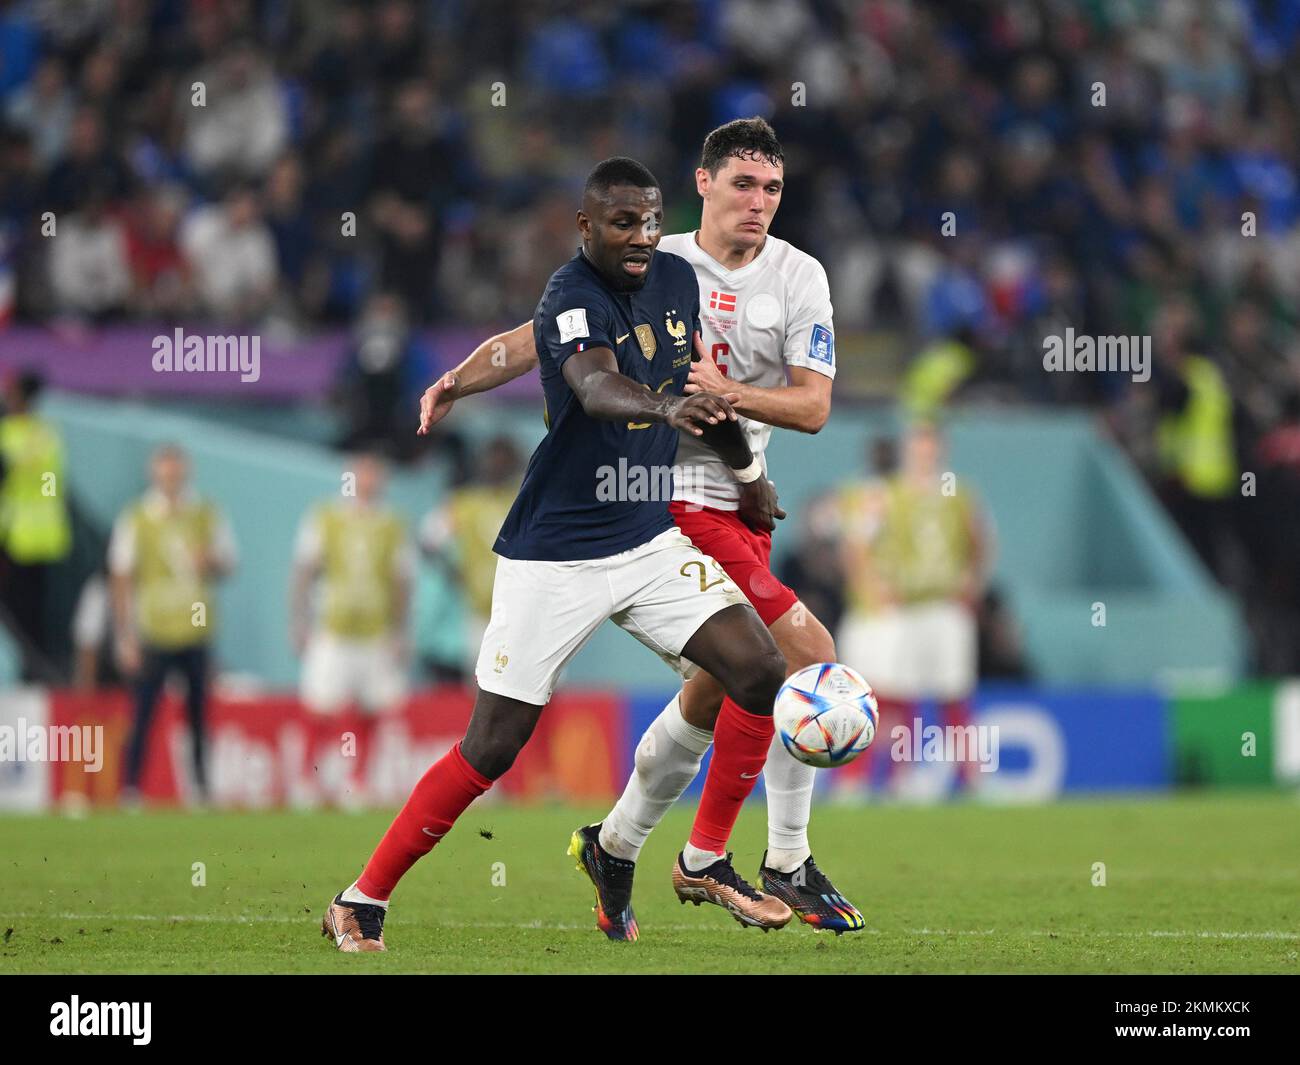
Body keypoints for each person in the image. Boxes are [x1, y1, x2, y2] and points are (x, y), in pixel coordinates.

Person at [323, 157, 791, 951]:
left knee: (759, 667)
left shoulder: (676, 281)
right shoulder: (570, 296)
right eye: (622, 223)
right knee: (494, 745)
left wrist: (747, 476)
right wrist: (670, 406)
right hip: (555, 555)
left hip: (645, 538)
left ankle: (695, 855)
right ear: (585, 227)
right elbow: (597, 390)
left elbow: (700, 396)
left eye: (649, 220)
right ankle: (361, 897)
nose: (641, 237)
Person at [417, 119, 864, 935]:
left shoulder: (800, 277)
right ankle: (772, 859)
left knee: (720, 689)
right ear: (703, 184)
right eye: (742, 185)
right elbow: (532, 341)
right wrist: (458, 378)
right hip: (664, 496)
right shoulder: (657, 260)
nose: (758, 203)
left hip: (740, 490)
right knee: (807, 653)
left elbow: (814, 406)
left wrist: (724, 394)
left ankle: (617, 843)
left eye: (771, 189)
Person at [837, 423, 991, 794]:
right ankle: (862, 779)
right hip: (895, 609)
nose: (924, 455)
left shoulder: (958, 494)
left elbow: (979, 538)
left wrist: (972, 583)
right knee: (886, 692)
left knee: (949, 691)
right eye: (918, 447)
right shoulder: (883, 494)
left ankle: (965, 779)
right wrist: (872, 591)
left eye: (930, 447)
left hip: (939, 605)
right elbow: (856, 546)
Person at [110, 444, 237, 806]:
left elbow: (228, 563)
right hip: (154, 629)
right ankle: (131, 788)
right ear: (155, 474)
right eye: (165, 471)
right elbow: (121, 577)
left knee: (199, 714)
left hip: (195, 630)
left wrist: (209, 560)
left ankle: (199, 789)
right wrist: (125, 636)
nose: (171, 477)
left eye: (176, 470)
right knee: (143, 712)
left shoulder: (205, 513)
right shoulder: (137, 516)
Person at [290, 453, 413, 806]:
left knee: (371, 708)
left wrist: (400, 631)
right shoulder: (326, 517)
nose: (369, 482)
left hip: (374, 632)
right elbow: (303, 571)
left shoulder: (391, 525)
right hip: (333, 629)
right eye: (362, 474)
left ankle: (357, 781)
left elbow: (401, 582)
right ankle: (307, 780)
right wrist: (299, 621)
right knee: (319, 705)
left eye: (375, 475)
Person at [0, 371, 72, 680]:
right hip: (48, 534)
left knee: (18, 616)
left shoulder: (6, 434)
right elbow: (53, 482)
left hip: (17, 535)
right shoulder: (48, 434)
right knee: (43, 614)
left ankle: (29, 673)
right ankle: (40, 671)